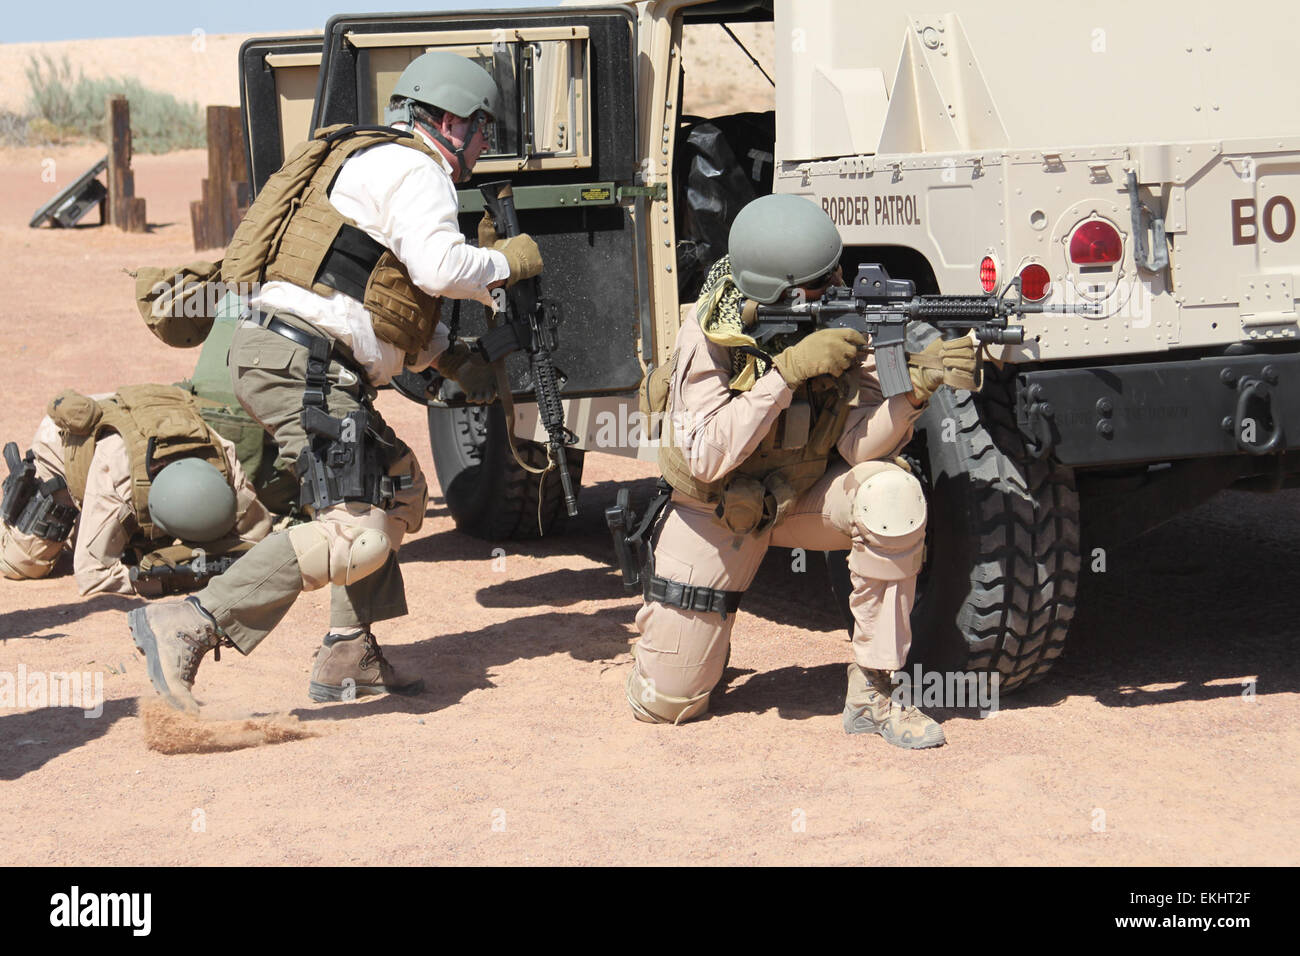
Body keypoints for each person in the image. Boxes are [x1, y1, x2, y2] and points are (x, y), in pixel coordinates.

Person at [125, 51, 543, 713]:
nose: (486, 142)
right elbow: (438, 269)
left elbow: (368, 296)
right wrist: (505, 262)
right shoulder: (418, 169)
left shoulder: (376, 160)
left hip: (292, 357)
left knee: (398, 488)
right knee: (359, 531)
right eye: (482, 126)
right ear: (447, 119)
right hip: (306, 368)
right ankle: (190, 622)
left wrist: (446, 358)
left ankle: (348, 651)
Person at [628, 194, 976, 749]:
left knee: (890, 493)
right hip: (716, 508)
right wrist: (786, 373)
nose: (836, 285)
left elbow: (860, 444)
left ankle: (874, 695)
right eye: (821, 281)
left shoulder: (841, 318)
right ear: (783, 293)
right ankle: (688, 638)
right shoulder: (709, 331)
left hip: (800, 495)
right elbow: (706, 456)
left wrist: (913, 392)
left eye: (834, 269)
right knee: (668, 703)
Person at [1, 385, 272, 595]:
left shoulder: (221, 457)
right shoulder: (118, 482)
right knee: (24, 564)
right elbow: (93, 576)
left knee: (129, 543)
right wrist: (170, 578)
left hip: (146, 423)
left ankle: (98, 528)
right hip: (66, 444)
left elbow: (256, 535)